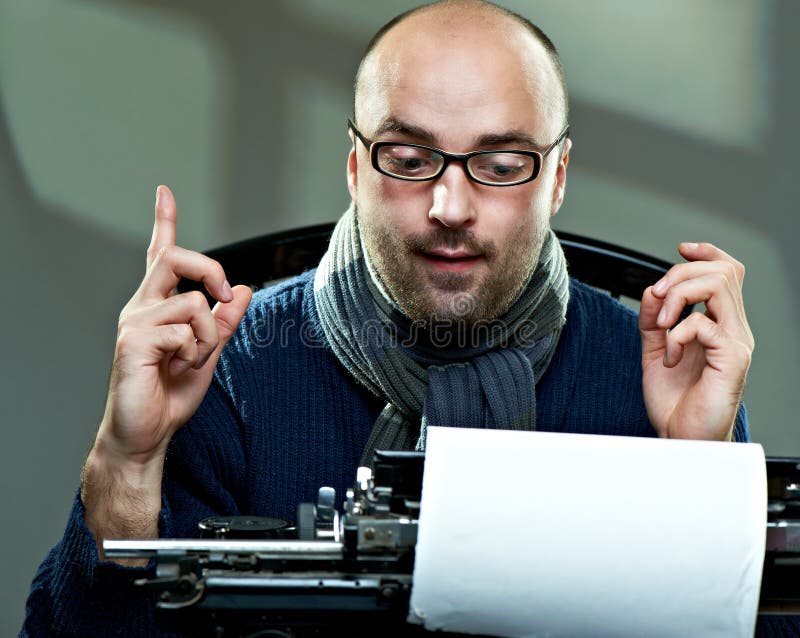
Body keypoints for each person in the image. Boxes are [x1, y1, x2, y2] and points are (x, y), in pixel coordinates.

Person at [22, 1, 795, 636]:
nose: (450, 207)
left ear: (557, 178)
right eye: (409, 158)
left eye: (501, 166)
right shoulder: (227, 368)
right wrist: (124, 464)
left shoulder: (657, 372)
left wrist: (702, 470)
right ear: (355, 166)